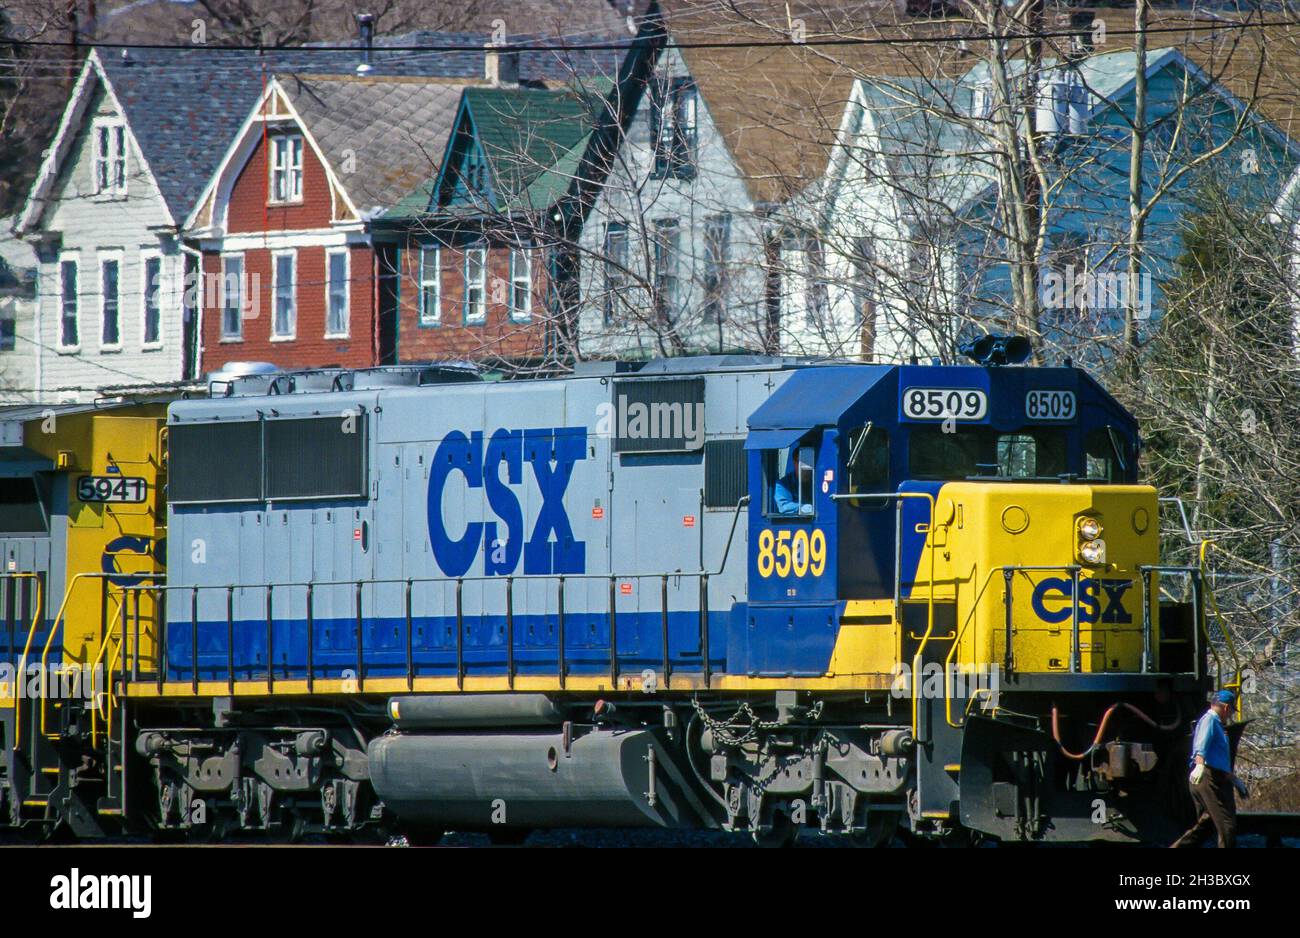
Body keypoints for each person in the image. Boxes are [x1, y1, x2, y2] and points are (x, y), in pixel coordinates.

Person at [1171, 689, 1247, 848]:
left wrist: (1234, 780)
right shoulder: (1210, 720)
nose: (1231, 715)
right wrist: (1199, 765)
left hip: (1212, 777)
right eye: (1232, 710)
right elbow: (1201, 745)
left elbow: (1218, 759)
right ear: (1226, 707)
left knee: (1207, 824)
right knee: (1227, 825)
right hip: (1208, 778)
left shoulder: (1217, 724)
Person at [773, 448, 815, 516]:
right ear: (794, 462)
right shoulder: (783, 484)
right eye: (801, 462)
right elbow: (783, 506)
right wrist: (802, 507)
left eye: (809, 462)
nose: (805, 467)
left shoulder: (819, 482)